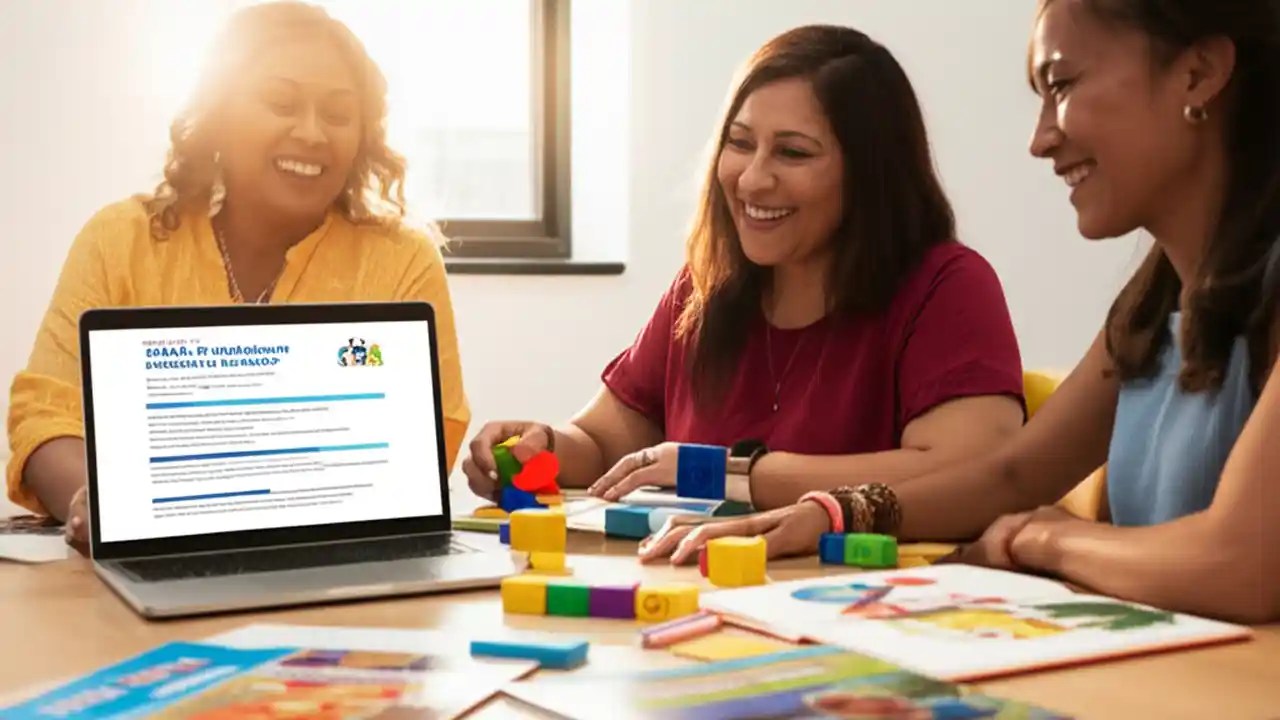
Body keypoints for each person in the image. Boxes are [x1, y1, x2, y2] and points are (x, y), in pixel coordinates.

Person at [640, 0, 1280, 624]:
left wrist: (1043, 539)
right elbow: (1011, 476)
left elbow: (1236, 565)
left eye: (1061, 86)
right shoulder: (1152, 303)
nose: (1040, 140)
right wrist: (833, 512)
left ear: (1197, 74)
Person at [462, 26, 1026, 510]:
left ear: (871, 173)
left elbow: (973, 471)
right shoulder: (704, 286)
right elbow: (604, 444)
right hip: (700, 591)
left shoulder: (948, 287)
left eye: (793, 152)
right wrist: (541, 448)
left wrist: (725, 476)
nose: (752, 179)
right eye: (739, 143)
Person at [5, 1, 470, 546]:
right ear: (220, 116)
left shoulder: (400, 259)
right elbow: (46, 417)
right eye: (281, 103)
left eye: (338, 114)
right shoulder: (123, 239)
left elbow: (427, 442)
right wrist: (103, 507)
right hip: (141, 560)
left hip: (339, 561)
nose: (312, 133)